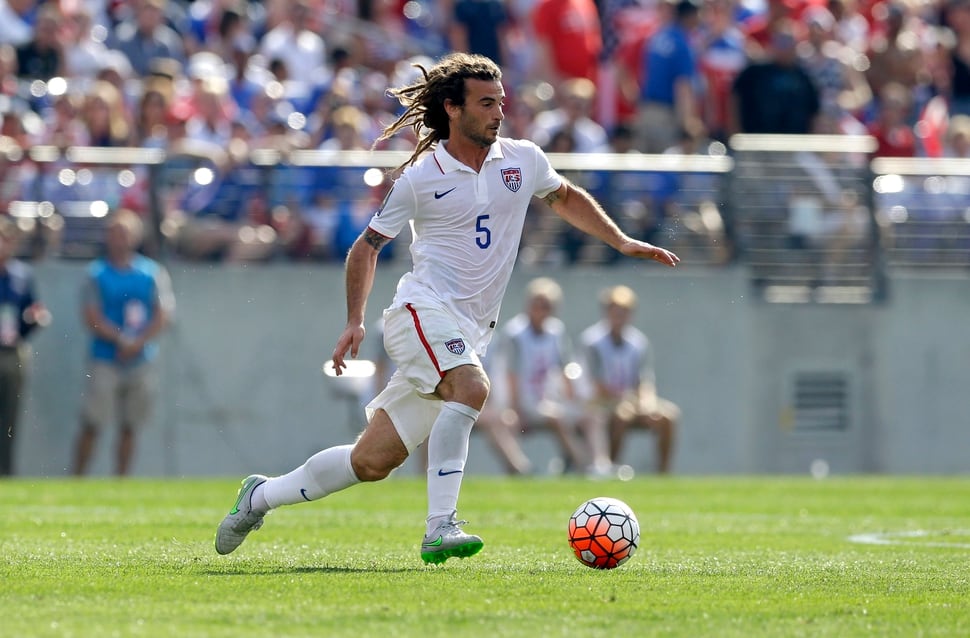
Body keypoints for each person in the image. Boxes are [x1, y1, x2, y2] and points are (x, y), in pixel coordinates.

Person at [213, 52, 679, 564]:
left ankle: (259, 496)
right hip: (420, 312)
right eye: (486, 103)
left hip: (468, 330)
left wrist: (621, 240)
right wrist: (354, 319)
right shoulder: (420, 177)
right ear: (453, 109)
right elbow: (367, 246)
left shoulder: (522, 160)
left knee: (372, 461)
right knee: (473, 387)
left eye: (501, 102)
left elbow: (564, 196)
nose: (498, 112)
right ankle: (440, 527)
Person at [72, 209, 175, 476]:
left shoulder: (151, 272)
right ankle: (77, 478)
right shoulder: (96, 273)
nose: (120, 240)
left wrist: (138, 342)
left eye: (125, 234)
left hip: (140, 358)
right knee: (93, 422)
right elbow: (91, 316)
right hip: (106, 357)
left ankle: (121, 481)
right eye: (115, 233)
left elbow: (163, 314)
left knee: (130, 425)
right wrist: (122, 339)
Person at [477, 277, 587, 475]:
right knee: (555, 418)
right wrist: (516, 409)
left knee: (585, 417)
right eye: (537, 305)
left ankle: (574, 463)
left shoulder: (556, 332)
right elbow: (511, 374)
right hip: (520, 400)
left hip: (543, 398)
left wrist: (574, 400)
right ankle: (579, 466)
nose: (541, 310)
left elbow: (564, 369)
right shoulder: (516, 333)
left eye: (546, 306)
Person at [580, 285, 679, 475]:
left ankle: (663, 474)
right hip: (601, 402)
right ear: (607, 312)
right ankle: (612, 467)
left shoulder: (637, 342)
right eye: (616, 311)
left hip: (631, 401)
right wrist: (627, 400)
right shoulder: (593, 341)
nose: (620, 317)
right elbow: (596, 384)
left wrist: (646, 404)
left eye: (625, 312)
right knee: (622, 416)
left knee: (668, 416)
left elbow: (644, 379)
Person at [0, 217, 50, 475]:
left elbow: (33, 307)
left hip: (12, 350)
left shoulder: (21, 275)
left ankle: (6, 475)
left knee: (9, 419)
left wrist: (36, 318)